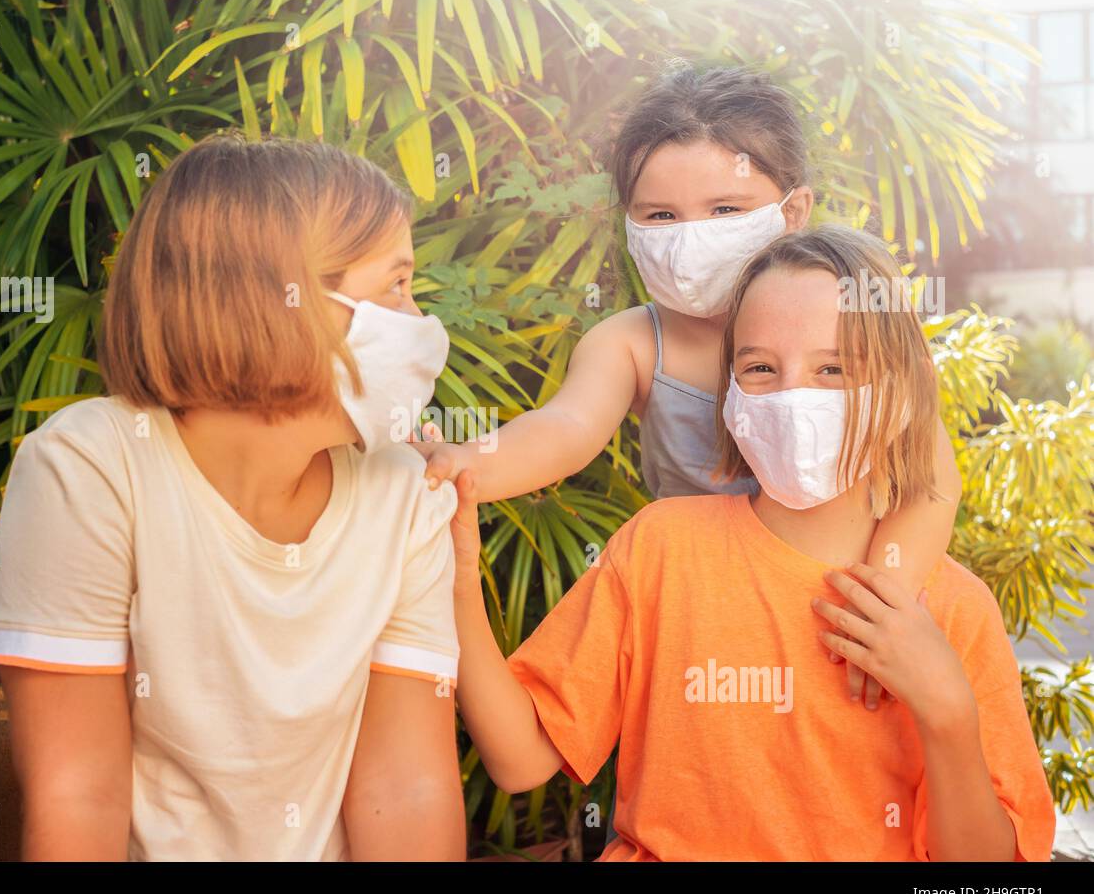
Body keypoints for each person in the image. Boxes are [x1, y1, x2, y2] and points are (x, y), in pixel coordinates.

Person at [449, 225, 1055, 861]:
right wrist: (459, 587)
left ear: (902, 389)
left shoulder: (953, 610)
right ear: (730, 394)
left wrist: (947, 710)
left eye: (834, 368)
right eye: (761, 367)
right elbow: (520, 759)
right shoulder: (660, 549)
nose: (794, 395)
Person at [417, 64, 963, 710]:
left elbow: (931, 478)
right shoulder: (631, 343)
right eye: (662, 215)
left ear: (794, 211)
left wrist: (886, 594)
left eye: (725, 209)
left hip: (843, 608)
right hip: (706, 611)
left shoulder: (859, 319)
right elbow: (564, 430)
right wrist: (464, 465)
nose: (690, 238)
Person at [0, 134, 465, 861]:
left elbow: (404, 791)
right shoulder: (89, 468)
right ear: (284, 298)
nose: (421, 318)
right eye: (396, 285)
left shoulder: (404, 494)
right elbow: (82, 795)